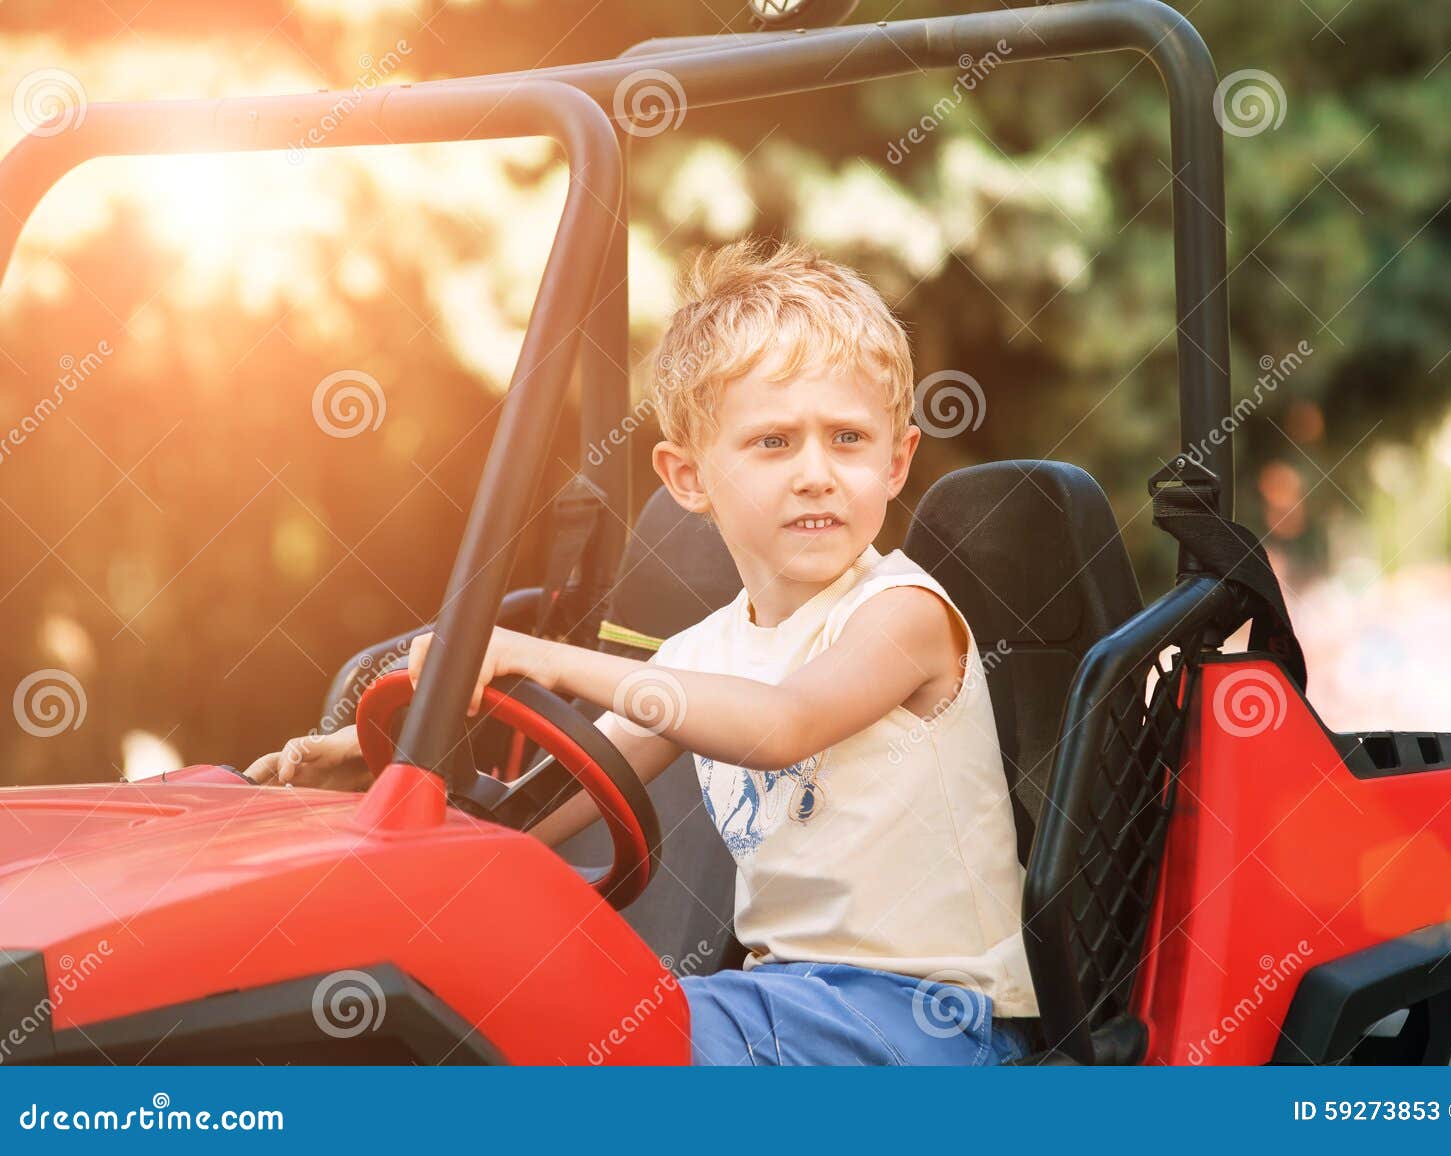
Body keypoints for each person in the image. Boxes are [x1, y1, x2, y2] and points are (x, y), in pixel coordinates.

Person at [246, 238, 1039, 1065]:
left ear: (896, 459)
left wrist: (544, 658)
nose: (816, 474)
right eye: (773, 442)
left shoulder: (904, 614)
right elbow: (533, 811)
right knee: (520, 1016)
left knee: (612, 1042)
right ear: (688, 478)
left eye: (847, 438)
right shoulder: (706, 651)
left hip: (927, 1022)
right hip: (782, 1005)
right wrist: (386, 772)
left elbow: (783, 723)